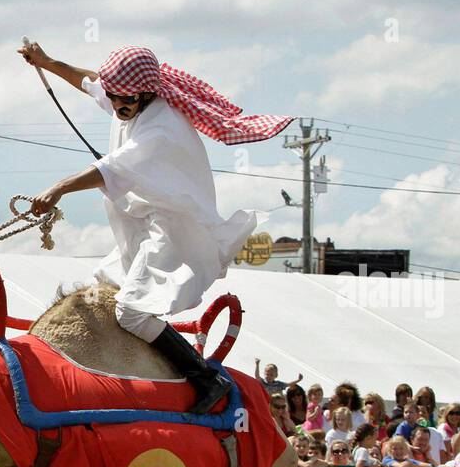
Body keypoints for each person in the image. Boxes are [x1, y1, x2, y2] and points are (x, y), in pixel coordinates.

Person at [20, 41, 291, 413]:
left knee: (130, 311)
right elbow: (88, 80)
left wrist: (57, 189)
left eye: (121, 98)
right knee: (105, 287)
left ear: (146, 92)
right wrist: (46, 62)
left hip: (171, 230)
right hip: (142, 227)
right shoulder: (130, 97)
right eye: (112, 96)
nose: (115, 104)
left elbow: (108, 171)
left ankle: (204, 378)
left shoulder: (160, 127)